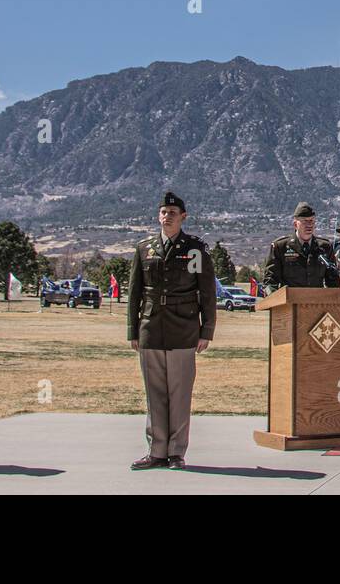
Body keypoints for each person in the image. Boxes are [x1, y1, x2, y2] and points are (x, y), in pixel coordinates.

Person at [128, 191, 216, 470]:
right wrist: (132, 330)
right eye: (164, 212)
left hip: (184, 326)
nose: (167, 217)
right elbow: (134, 293)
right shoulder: (144, 249)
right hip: (151, 326)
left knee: (179, 393)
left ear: (183, 217)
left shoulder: (195, 249)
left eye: (173, 213)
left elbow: (207, 292)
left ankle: (176, 452)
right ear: (158, 216)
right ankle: (155, 451)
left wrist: (207, 330)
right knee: (154, 393)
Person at [263, 203, 340, 288]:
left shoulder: (325, 247)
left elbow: (333, 280)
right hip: (290, 299)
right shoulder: (280, 247)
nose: (309, 225)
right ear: (295, 224)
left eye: (312, 221)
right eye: (305, 221)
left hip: (317, 300)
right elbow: (270, 281)